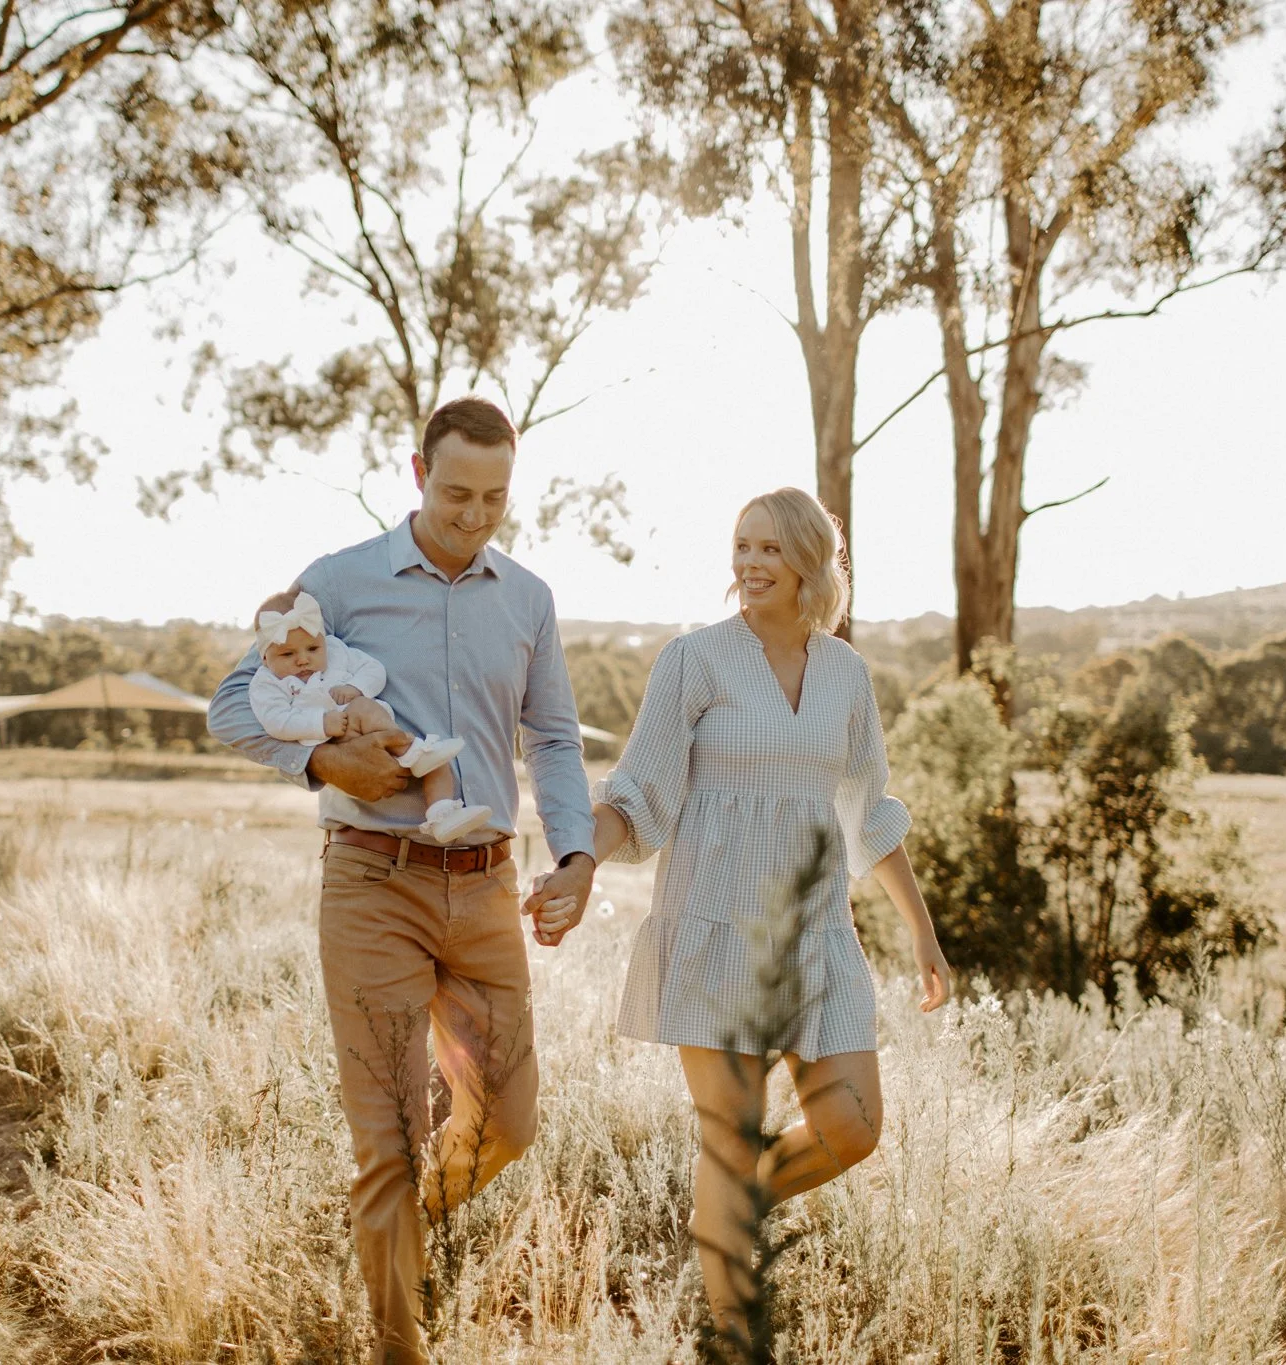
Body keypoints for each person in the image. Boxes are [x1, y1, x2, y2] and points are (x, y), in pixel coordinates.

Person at [208, 396, 596, 1365]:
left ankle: (395, 1225)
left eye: (495, 498)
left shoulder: (528, 599)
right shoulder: (337, 584)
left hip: (487, 888)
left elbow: (549, 736)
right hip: (372, 884)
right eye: (456, 493)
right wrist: (319, 765)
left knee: (508, 1121)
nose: (473, 516)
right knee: (386, 1137)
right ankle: (395, 1340)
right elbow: (230, 704)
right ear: (418, 476)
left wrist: (576, 858)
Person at [529, 487, 953, 1345]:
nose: (750, 564)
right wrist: (581, 862)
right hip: (715, 924)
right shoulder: (696, 660)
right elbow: (640, 793)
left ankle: (724, 1212)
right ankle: (731, 1326)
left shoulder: (846, 673)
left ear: (810, 563)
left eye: (770, 549)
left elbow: (869, 811)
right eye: (742, 546)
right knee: (728, 1135)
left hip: (818, 932)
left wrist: (923, 932)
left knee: (854, 1126)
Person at [248, 587, 491, 843]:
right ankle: (412, 752)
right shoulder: (266, 683)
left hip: (378, 731)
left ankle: (441, 814)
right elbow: (276, 721)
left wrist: (356, 688)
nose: (303, 660)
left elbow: (374, 669)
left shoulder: (336, 651)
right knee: (368, 711)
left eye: (312, 649)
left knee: (437, 763)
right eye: (288, 654)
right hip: (339, 748)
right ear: (265, 658)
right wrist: (321, 724)